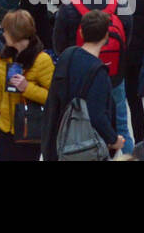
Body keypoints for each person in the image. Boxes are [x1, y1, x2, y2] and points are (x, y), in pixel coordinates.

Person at [42, 8, 123, 160]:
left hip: (56, 141)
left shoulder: (67, 56)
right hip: (81, 149)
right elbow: (97, 115)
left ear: (81, 33)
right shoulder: (99, 72)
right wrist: (114, 140)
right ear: (106, 36)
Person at [0, 8, 52, 161]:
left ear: (15, 33)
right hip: (4, 130)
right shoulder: (5, 57)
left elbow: (53, 98)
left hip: (29, 132)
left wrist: (27, 88)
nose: (3, 34)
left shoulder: (42, 60)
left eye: (5, 30)